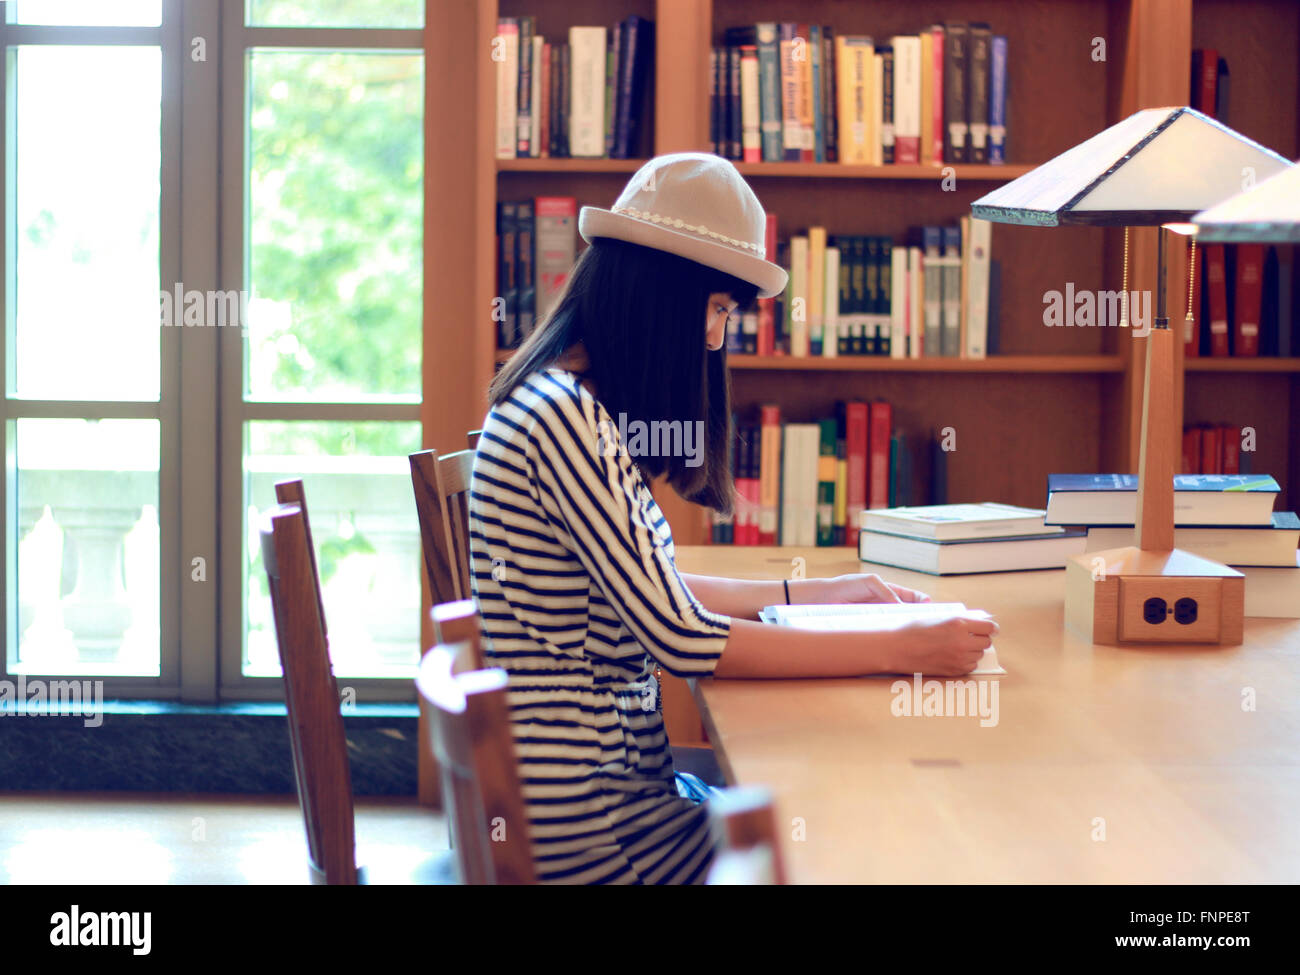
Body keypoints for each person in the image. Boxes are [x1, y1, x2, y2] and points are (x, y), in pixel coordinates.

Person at [468, 152, 997, 884]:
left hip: (603, 797)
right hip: (598, 830)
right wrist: (899, 647)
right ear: (663, 294)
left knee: (839, 817)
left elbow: (651, 582)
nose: (717, 338)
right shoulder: (567, 423)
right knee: (858, 843)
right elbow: (682, 635)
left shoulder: (560, 403)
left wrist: (818, 595)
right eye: (717, 309)